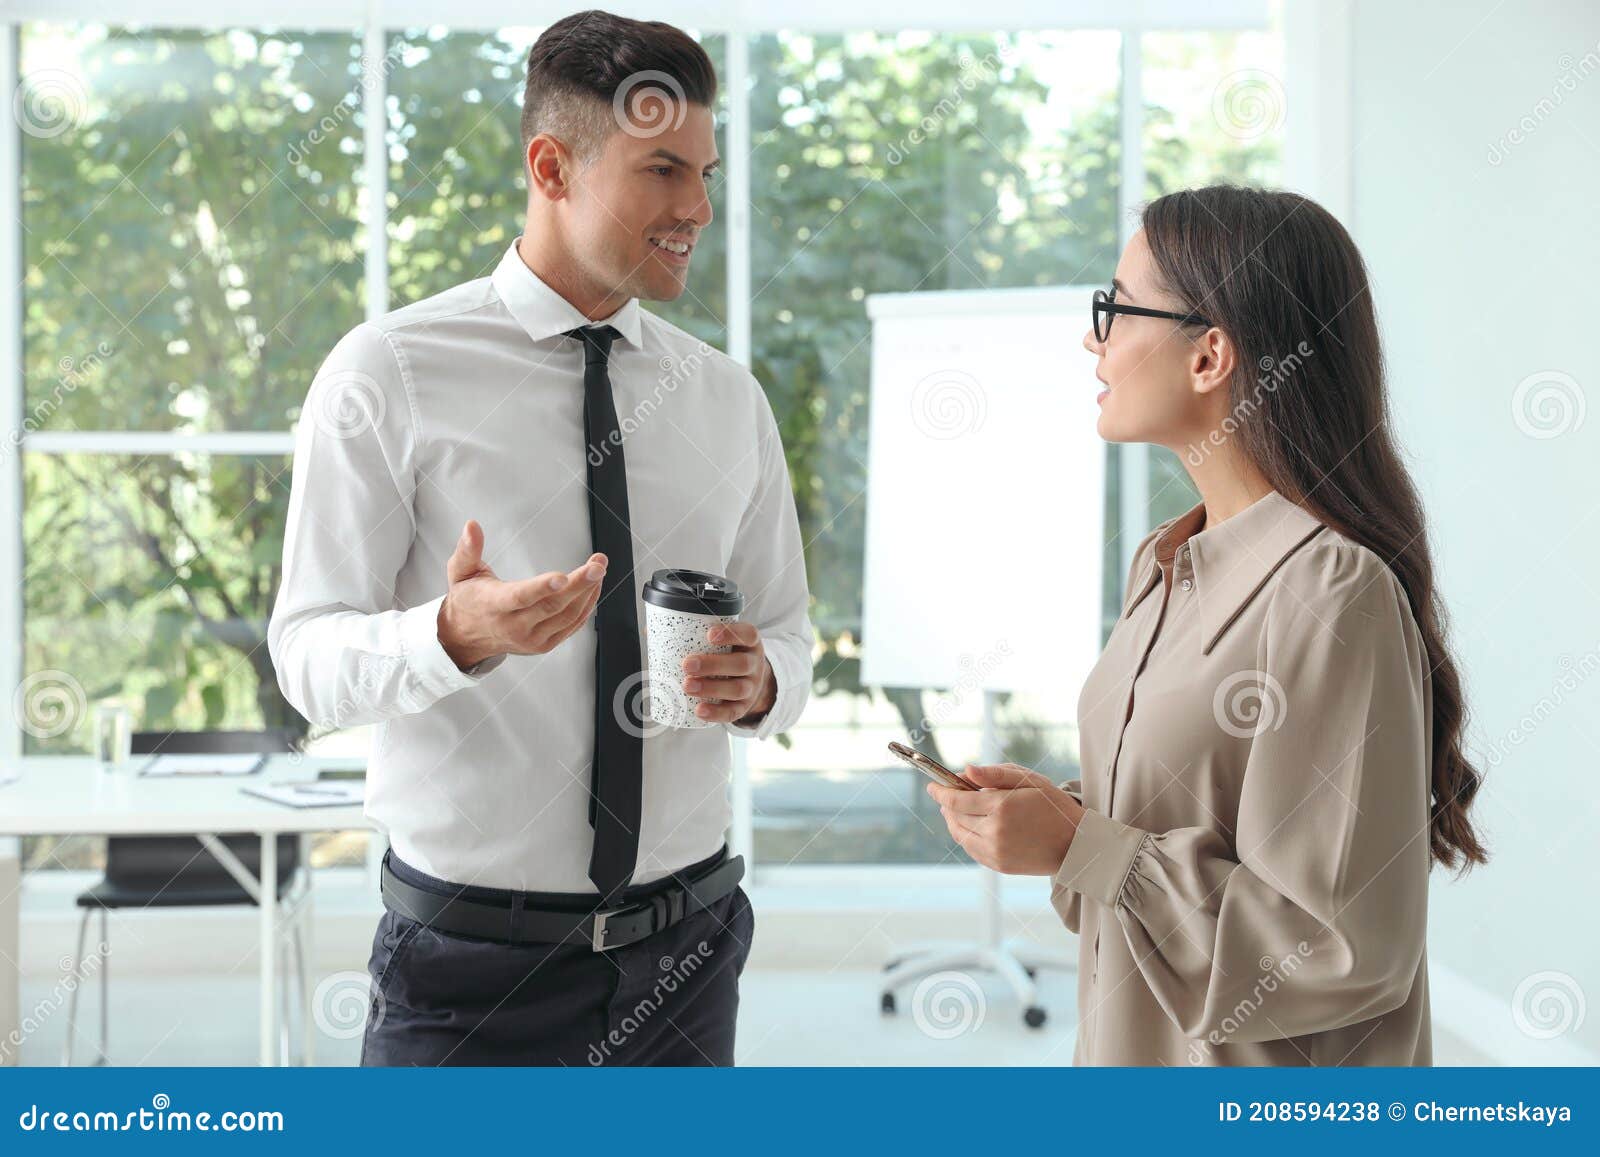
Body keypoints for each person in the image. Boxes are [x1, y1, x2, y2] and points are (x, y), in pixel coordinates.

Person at [268, 9, 813, 1066]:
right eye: (663, 171)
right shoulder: (390, 371)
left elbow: (788, 634)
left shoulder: (726, 400)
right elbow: (305, 658)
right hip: (470, 972)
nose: (697, 207)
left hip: (687, 960)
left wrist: (759, 682)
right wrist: (448, 633)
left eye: (705, 171)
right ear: (551, 164)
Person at [927, 185, 1487, 1066]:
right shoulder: (1162, 564)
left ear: (1211, 355)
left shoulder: (1332, 591)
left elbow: (1341, 949)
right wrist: (1062, 822)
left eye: (1113, 308)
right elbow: (1181, 826)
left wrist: (1089, 847)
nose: (1091, 338)